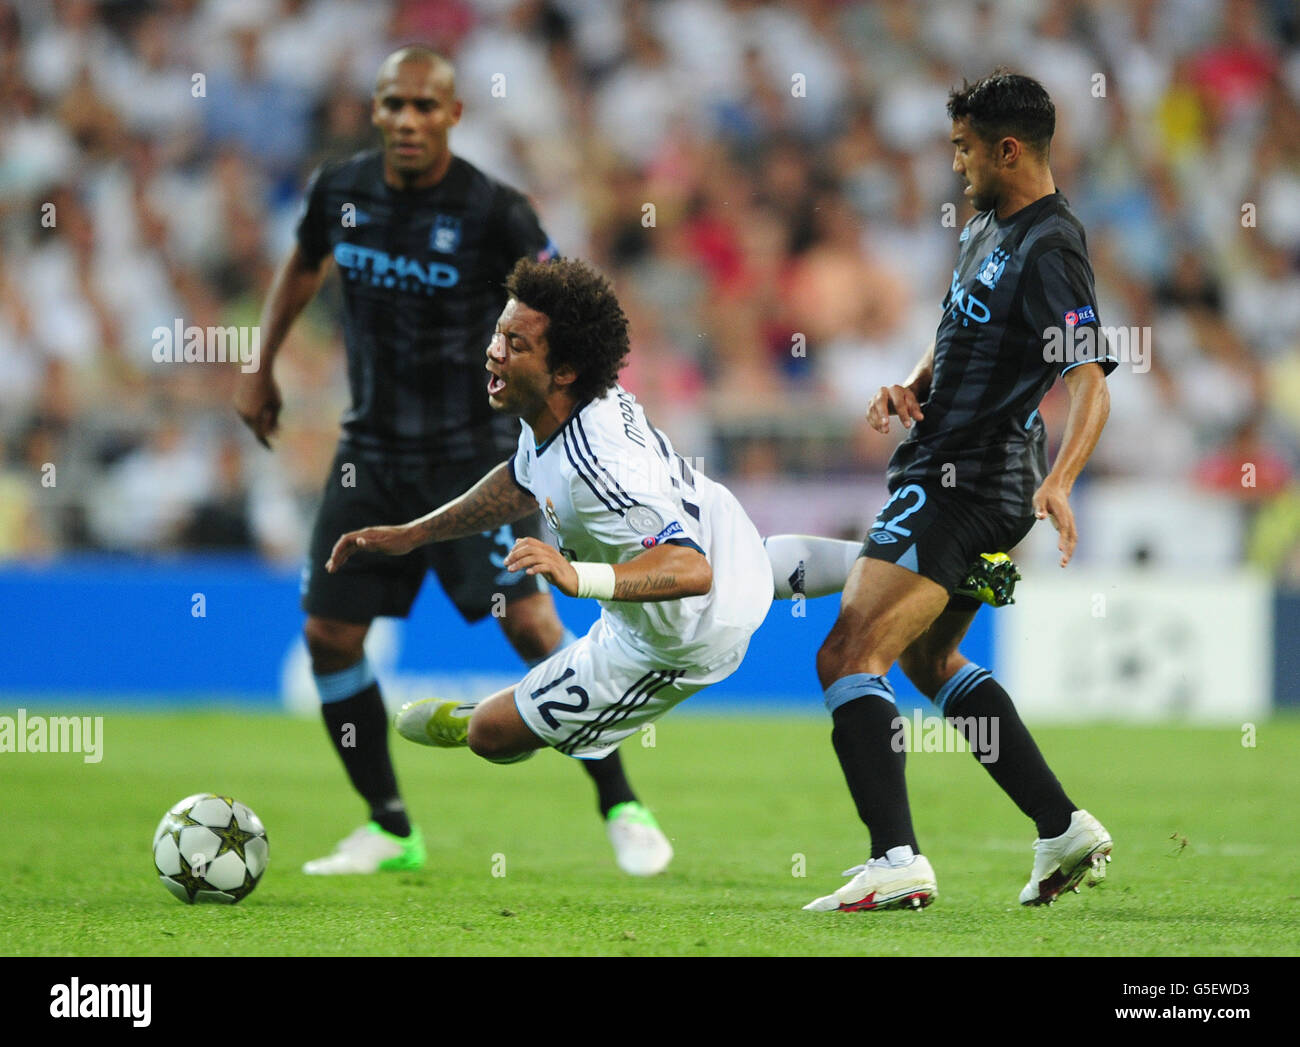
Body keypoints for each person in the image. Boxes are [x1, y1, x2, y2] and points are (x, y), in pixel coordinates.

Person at [233, 47, 671, 877]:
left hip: (475, 453)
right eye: (392, 104)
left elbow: (559, 304)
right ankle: (390, 825)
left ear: (453, 115)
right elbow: (301, 264)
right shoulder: (340, 191)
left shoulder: (493, 209)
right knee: (329, 634)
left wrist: (576, 414)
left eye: (424, 107)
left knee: (532, 625)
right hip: (368, 451)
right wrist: (261, 364)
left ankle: (620, 799)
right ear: (374, 110)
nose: (407, 120)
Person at [325, 257, 852, 776]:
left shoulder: (594, 463)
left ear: (565, 370)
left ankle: (499, 720)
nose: (493, 354)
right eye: (498, 334)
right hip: (725, 532)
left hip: (679, 637)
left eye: (516, 345)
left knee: (489, 736)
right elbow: (521, 480)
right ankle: (881, 559)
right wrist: (415, 534)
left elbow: (692, 571)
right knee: (755, 565)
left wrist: (578, 576)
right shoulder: (563, 407)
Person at [804, 71, 1117, 914]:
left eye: (964, 149)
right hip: (960, 462)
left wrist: (1063, 480)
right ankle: (1060, 825)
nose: (956, 165)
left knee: (846, 652)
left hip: (968, 478)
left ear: (1007, 149)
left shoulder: (1053, 245)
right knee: (926, 657)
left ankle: (895, 857)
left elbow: (1090, 380)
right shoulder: (984, 226)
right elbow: (956, 332)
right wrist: (909, 382)